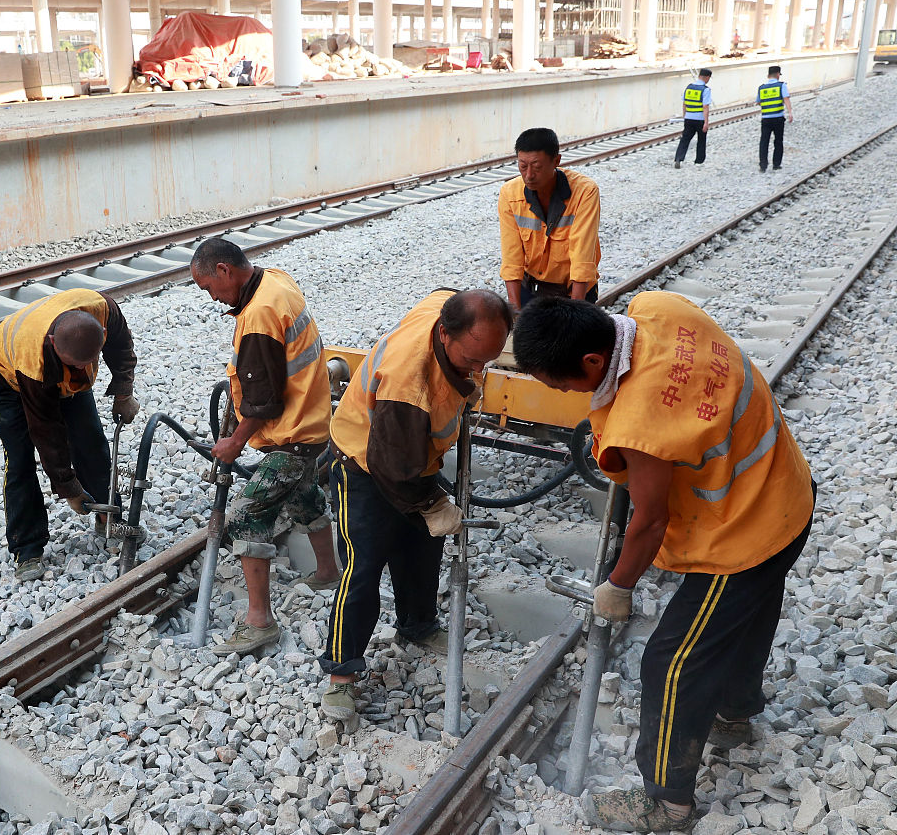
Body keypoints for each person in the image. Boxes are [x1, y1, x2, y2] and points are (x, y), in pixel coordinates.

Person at [513, 293, 815, 833]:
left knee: (672, 661)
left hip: (744, 532)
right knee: (747, 617)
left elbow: (649, 520)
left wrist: (617, 586)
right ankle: (736, 712)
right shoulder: (659, 309)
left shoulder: (641, 425)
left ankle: (666, 803)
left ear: (592, 362)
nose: (560, 394)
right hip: (787, 489)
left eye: (560, 385)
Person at [319, 289, 512, 722]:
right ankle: (341, 675)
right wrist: (430, 503)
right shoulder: (408, 383)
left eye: (488, 360)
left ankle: (418, 624)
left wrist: (425, 506)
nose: (480, 371)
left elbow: (442, 294)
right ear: (444, 334)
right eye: (471, 361)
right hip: (365, 465)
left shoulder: (446, 311)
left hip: (411, 454)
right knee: (363, 568)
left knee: (422, 550)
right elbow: (390, 465)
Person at [189, 238, 341, 657]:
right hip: (313, 421)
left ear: (224, 271)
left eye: (209, 288)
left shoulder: (258, 314)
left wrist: (234, 442)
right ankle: (327, 571)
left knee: (246, 515)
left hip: (292, 437)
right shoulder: (275, 281)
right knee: (304, 496)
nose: (212, 298)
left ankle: (260, 622)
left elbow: (264, 401)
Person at [0, 289, 139, 582]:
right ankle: (27, 549)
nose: (81, 369)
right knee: (19, 462)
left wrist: (123, 391)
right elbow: (46, 430)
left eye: (86, 363)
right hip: (9, 381)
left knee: (91, 442)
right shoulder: (35, 362)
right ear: (54, 343)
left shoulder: (103, 309)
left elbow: (121, 349)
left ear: (101, 332)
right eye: (75, 365)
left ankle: (109, 517)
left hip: (54, 367)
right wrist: (68, 487)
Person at [498, 127, 601, 312]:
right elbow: (512, 258)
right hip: (532, 289)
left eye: (537, 167)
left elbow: (582, 258)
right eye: (522, 166)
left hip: (574, 290)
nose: (528, 175)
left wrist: (575, 312)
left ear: (556, 161)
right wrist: (515, 313)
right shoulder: (509, 194)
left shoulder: (585, 192)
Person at [757, 65, 793, 172]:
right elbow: (786, 98)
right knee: (778, 141)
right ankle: (776, 164)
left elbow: (759, 102)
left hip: (765, 119)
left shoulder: (761, 87)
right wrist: (790, 112)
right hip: (778, 118)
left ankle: (763, 166)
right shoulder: (781, 86)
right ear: (778, 75)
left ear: (768, 75)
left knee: (764, 142)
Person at [673, 69, 712, 168]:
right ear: (707, 77)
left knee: (685, 139)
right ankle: (699, 161)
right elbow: (705, 107)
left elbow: (684, 103)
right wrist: (706, 123)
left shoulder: (689, 88)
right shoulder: (706, 90)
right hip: (699, 119)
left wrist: (685, 115)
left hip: (689, 118)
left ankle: (679, 158)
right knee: (701, 139)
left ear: (699, 76)